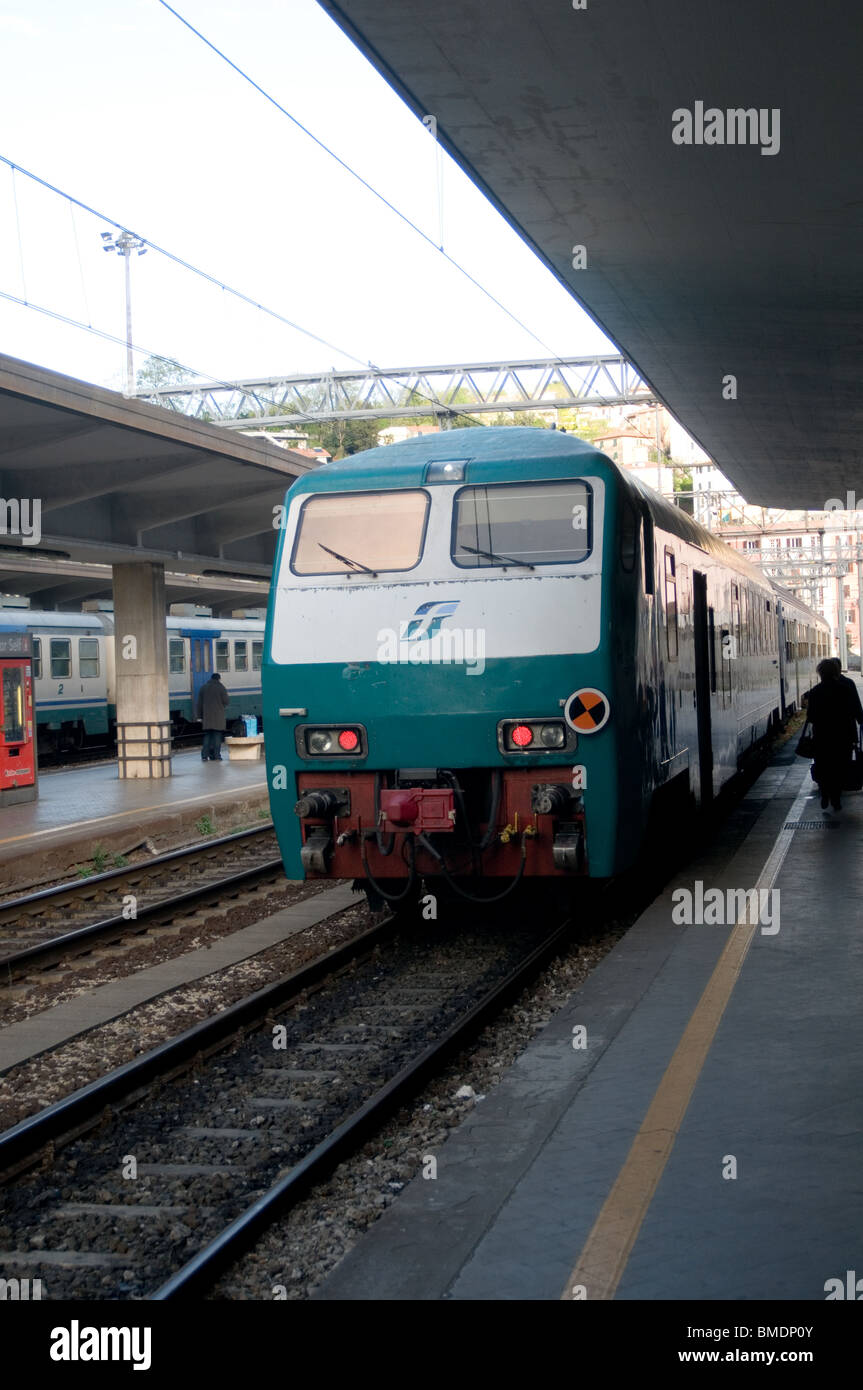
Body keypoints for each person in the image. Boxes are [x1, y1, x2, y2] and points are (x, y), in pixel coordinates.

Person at [806, 659, 859, 811]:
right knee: (840, 767)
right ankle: (836, 798)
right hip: (843, 737)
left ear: (821, 673)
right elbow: (855, 711)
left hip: (822, 737)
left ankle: (824, 794)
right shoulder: (845, 689)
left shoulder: (815, 691)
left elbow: (810, 716)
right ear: (836, 672)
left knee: (824, 767)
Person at [195, 672, 230, 761]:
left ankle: (204, 756)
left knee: (207, 736)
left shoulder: (203, 688)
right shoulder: (221, 688)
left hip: (207, 718)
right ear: (219, 679)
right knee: (217, 737)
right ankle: (216, 756)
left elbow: (199, 704)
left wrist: (199, 716)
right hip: (218, 718)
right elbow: (226, 701)